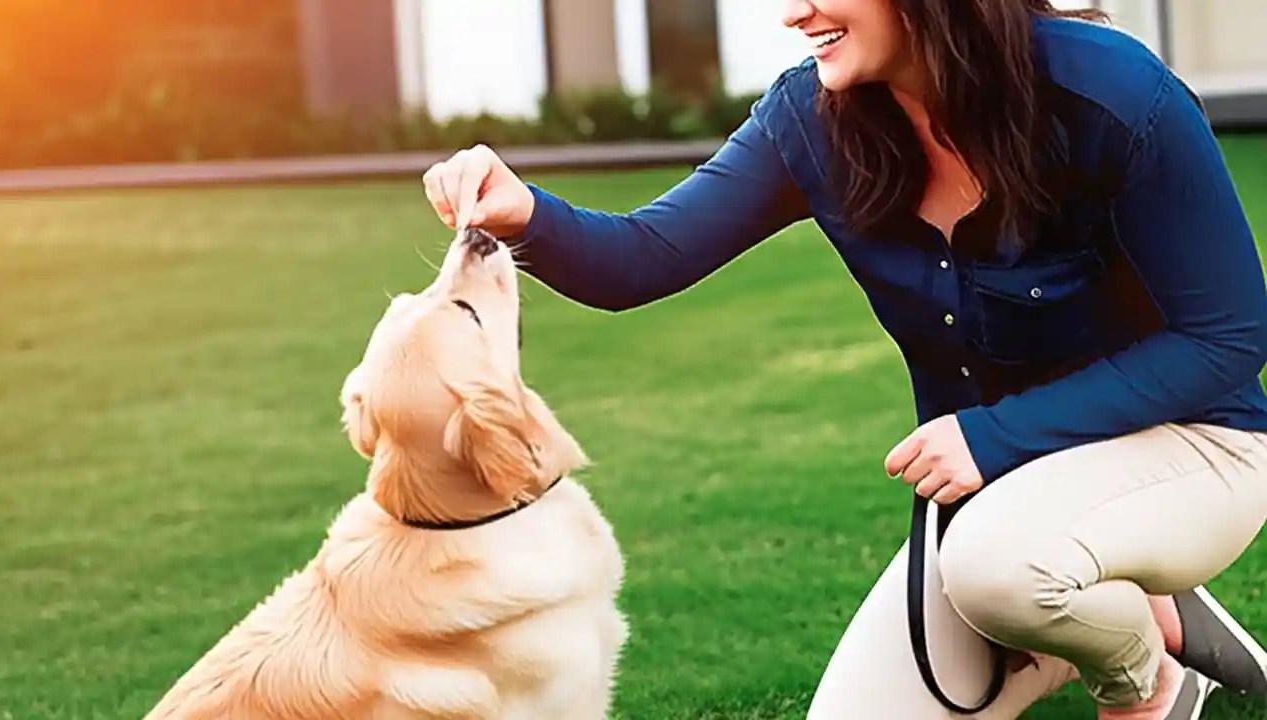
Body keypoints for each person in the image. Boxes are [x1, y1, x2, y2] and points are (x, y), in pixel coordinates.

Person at [421, 1, 1267, 718]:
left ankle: (1143, 674)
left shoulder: (1112, 94)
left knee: (994, 566)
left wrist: (999, 436)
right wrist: (524, 209)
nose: (793, 13)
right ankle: (1117, 606)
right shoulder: (811, 119)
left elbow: (1227, 338)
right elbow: (643, 256)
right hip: (1006, 499)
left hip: (1196, 445)